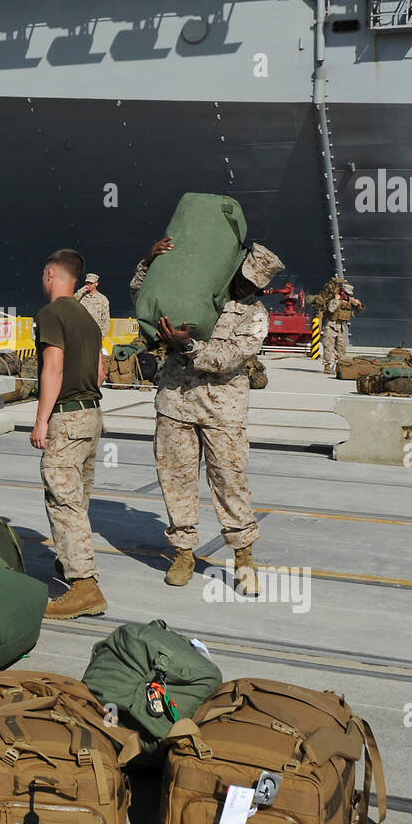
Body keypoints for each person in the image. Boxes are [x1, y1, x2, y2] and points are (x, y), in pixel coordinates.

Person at [130, 236, 284, 596]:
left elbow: (228, 358)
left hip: (222, 409)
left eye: (253, 283)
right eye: (243, 277)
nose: (245, 285)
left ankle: (244, 556)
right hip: (175, 402)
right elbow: (143, 295)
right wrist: (150, 263)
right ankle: (183, 552)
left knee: (230, 482)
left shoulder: (254, 315)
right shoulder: (198, 290)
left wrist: (187, 345)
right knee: (175, 480)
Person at [31, 248, 106, 620]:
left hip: (67, 417)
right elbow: (100, 373)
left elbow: (53, 369)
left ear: (50, 274)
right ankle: (72, 563)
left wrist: (42, 420)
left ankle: (84, 586)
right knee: (78, 499)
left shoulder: (51, 314)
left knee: (64, 501)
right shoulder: (88, 318)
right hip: (92, 415)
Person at [321, 278, 363, 375]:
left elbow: (359, 310)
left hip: (341, 327)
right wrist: (336, 300)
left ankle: (338, 366)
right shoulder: (334, 300)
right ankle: (327, 365)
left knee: (341, 348)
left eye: (349, 294)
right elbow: (331, 310)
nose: (348, 296)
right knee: (329, 347)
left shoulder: (350, 300)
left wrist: (359, 304)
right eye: (346, 294)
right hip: (331, 325)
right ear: (342, 292)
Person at [75, 272, 110, 337]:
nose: (89, 285)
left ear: (96, 284)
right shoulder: (81, 296)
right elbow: (72, 301)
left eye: (91, 283)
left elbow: (106, 318)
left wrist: (103, 334)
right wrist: (81, 291)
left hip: (95, 332)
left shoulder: (102, 299)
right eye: (87, 283)